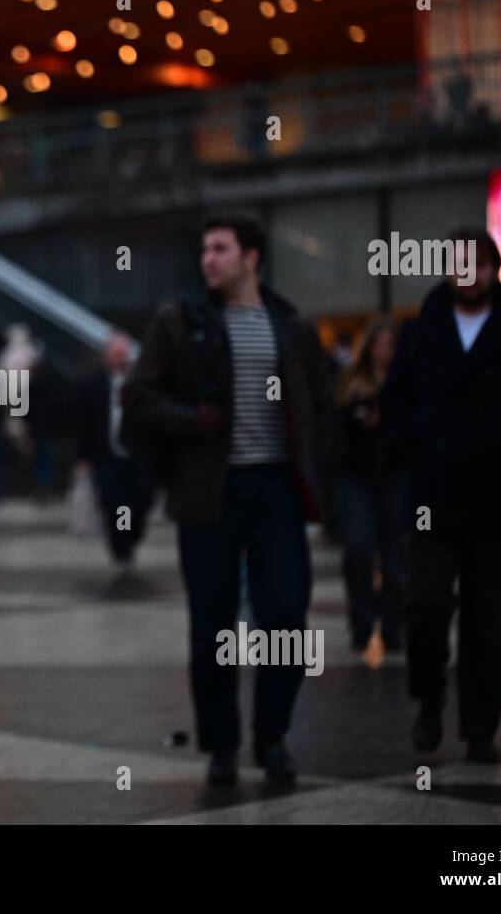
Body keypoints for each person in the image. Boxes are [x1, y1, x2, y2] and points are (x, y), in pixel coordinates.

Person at [122, 214, 331, 785]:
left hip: (276, 489)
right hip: (208, 493)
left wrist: (321, 473)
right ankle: (221, 744)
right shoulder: (179, 322)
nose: (208, 259)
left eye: (220, 249)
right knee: (212, 624)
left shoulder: (289, 324)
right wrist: (193, 419)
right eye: (204, 250)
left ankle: (273, 737)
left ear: (251, 257)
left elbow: (320, 403)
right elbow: (137, 395)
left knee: (285, 614)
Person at [382, 228, 501, 764]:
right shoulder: (419, 334)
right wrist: (416, 440)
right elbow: (395, 402)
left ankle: (480, 728)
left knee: (487, 621)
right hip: (430, 495)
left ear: (494, 268)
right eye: (459, 264)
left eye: (479, 264)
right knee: (426, 607)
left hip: (494, 496)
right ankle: (428, 700)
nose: (469, 274)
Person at [334, 319, 406, 659]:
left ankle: (393, 625)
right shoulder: (352, 385)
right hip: (358, 480)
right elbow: (337, 434)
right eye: (378, 345)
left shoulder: (405, 384)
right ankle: (362, 623)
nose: (384, 353)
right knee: (359, 551)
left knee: (395, 560)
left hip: (394, 478)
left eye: (389, 346)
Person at [74, 333, 154, 574]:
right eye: (116, 354)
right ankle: (121, 548)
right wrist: (83, 458)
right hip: (106, 457)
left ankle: (131, 535)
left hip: (137, 458)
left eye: (123, 354)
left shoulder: (141, 383)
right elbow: (84, 424)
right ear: (106, 357)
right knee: (116, 505)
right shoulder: (92, 385)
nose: (120, 359)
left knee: (138, 503)